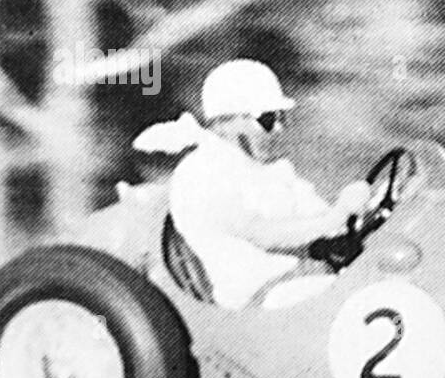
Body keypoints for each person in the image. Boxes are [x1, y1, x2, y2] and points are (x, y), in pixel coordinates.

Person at [132, 59, 371, 309]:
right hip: (263, 295)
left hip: (306, 276)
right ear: (229, 122)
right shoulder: (201, 173)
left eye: (282, 117)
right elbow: (261, 234)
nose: (278, 128)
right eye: (268, 119)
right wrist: (335, 217)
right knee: (359, 299)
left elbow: (318, 217)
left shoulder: (268, 168)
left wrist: (359, 211)